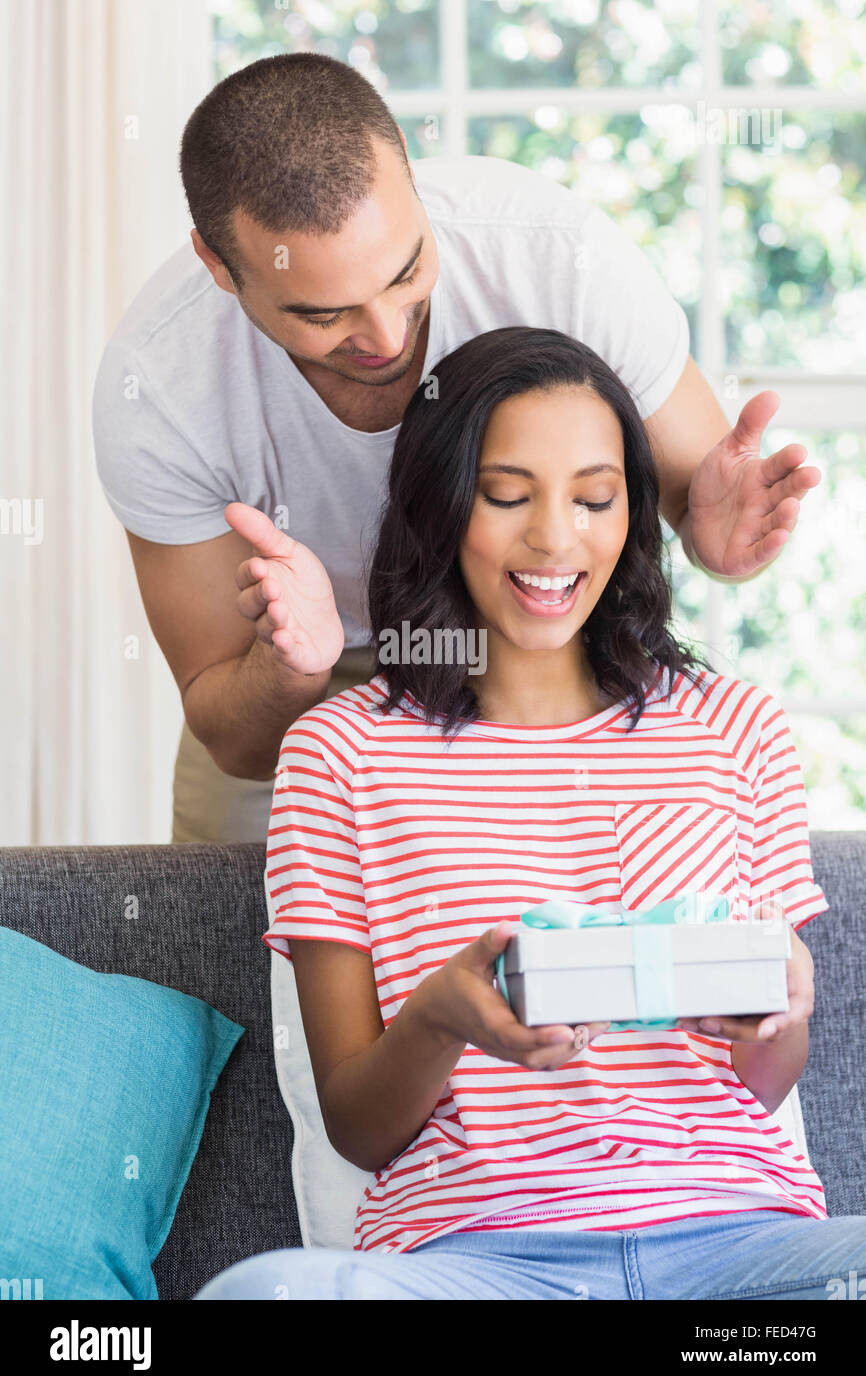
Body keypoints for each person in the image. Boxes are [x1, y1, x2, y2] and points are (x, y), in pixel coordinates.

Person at [194, 326, 863, 1300]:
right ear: (442, 504)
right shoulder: (341, 755)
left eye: (593, 499)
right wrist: (437, 1018)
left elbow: (756, 1086)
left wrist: (778, 1011)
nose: (555, 538)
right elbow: (358, 1123)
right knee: (260, 1296)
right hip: (483, 1265)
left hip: (738, 1251)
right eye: (508, 496)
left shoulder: (734, 726)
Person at [91, 53, 820, 844]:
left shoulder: (558, 257)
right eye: (324, 315)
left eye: (406, 273)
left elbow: (690, 504)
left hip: (533, 645)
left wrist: (702, 530)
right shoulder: (159, 386)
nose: (387, 334)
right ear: (220, 266)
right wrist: (292, 666)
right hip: (313, 671)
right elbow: (232, 736)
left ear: (407, 163)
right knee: (216, 940)